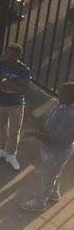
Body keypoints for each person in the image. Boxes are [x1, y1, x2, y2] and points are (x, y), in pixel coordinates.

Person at [20, 82, 74, 212]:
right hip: (52, 148)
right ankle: (54, 194)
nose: (58, 93)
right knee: (56, 171)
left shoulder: (70, 116)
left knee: (48, 176)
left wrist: (33, 134)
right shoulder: (62, 105)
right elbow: (51, 121)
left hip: (56, 151)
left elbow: (55, 139)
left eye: (63, 93)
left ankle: (40, 202)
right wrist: (42, 129)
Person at [0, 44, 31, 172]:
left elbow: (23, 90)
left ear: (18, 56)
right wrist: (14, 86)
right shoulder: (0, 64)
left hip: (16, 104)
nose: (8, 57)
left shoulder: (24, 70)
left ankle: (11, 154)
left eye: (12, 55)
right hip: (0, 101)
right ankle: (1, 149)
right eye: (7, 53)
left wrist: (6, 82)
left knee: (14, 131)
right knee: (1, 128)